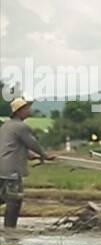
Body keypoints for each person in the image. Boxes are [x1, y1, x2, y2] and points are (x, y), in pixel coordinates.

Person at [0, 97, 57, 228]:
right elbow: (32, 143)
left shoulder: (6, 126)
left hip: (2, 167)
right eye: (26, 108)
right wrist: (45, 155)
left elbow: (10, 146)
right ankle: (10, 231)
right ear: (19, 111)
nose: (29, 110)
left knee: (3, 196)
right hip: (11, 170)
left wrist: (29, 155)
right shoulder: (21, 127)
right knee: (15, 200)